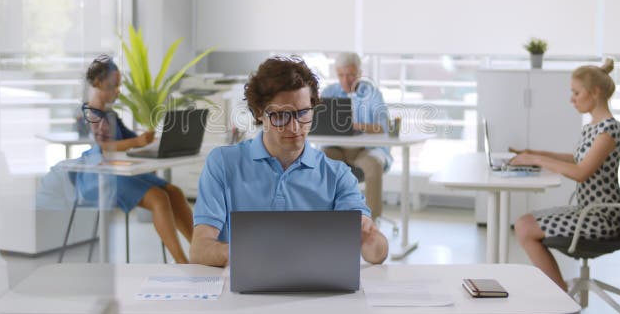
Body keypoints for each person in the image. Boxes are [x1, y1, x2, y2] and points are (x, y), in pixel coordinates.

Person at [190, 55, 389, 267]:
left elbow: (375, 253)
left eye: (303, 113)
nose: (294, 127)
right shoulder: (223, 164)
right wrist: (251, 253)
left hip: (312, 291)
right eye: (281, 116)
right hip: (242, 291)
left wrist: (371, 241)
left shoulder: (338, 175)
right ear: (260, 113)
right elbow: (199, 251)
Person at [511, 58, 620, 290]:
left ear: (594, 92)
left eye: (576, 92)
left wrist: (535, 160)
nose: (571, 99)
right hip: (587, 211)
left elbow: (581, 172)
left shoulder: (609, 130)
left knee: (524, 228)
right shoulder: (593, 126)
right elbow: (577, 159)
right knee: (524, 222)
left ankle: (559, 294)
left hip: (601, 218)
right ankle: (559, 289)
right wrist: (534, 153)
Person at [76, 55, 194, 263]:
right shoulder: (88, 114)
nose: (118, 91)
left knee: (174, 192)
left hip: (122, 172)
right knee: (159, 198)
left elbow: (133, 139)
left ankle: (200, 250)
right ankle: (182, 262)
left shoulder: (110, 115)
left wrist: (152, 140)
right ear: (100, 84)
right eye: (115, 85)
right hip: (101, 177)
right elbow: (103, 146)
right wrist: (137, 142)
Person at [320, 52, 392, 219]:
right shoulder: (329, 92)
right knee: (322, 160)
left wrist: (357, 126)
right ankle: (328, 218)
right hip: (337, 150)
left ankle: (370, 222)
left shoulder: (372, 93)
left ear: (359, 73)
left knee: (373, 164)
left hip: (366, 150)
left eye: (351, 75)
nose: (346, 80)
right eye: (341, 75)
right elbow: (318, 123)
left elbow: (383, 126)